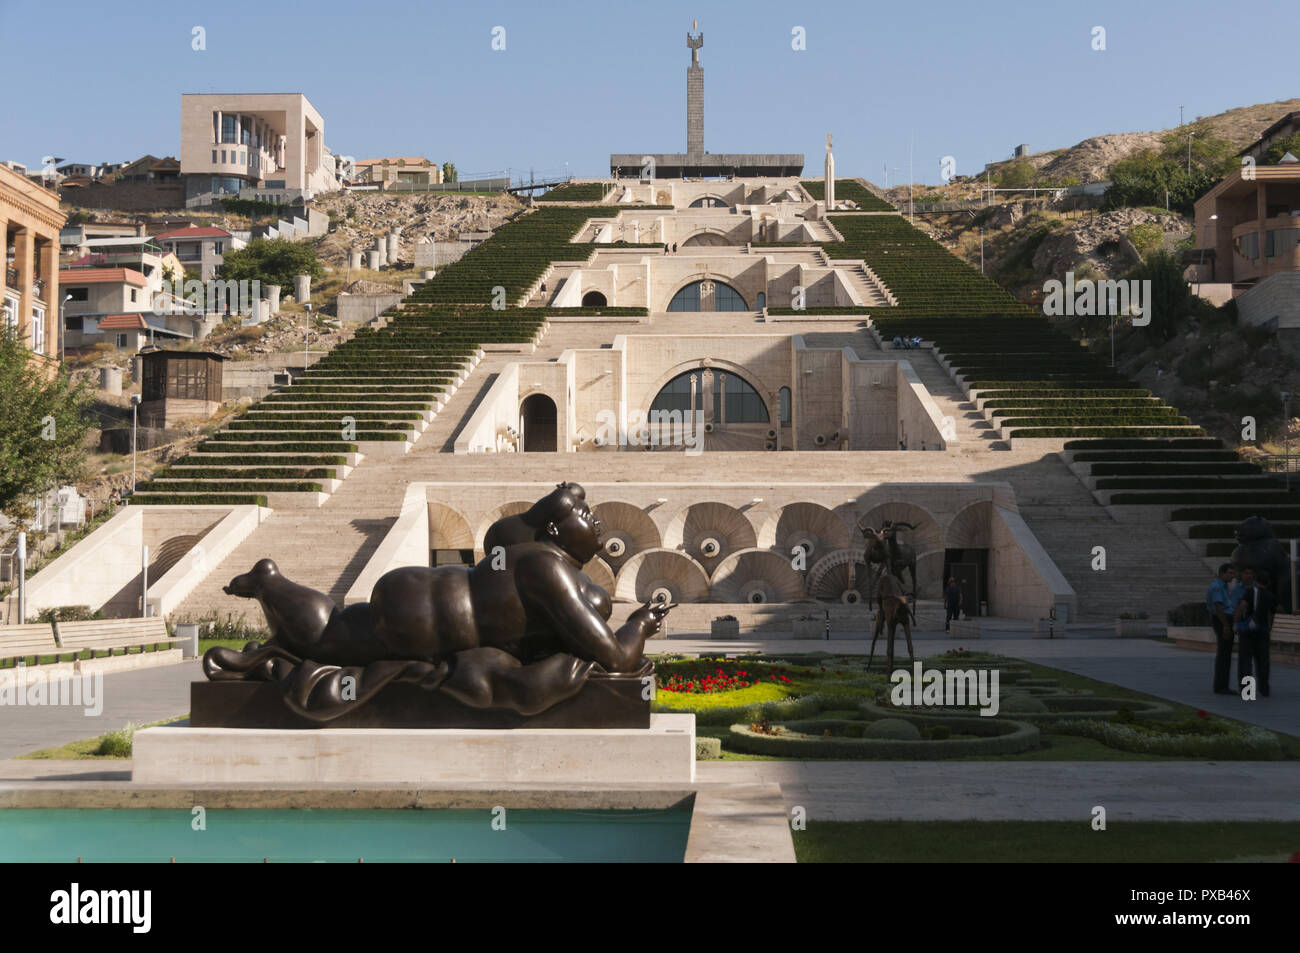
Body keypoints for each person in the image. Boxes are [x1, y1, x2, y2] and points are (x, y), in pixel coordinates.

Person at [1235, 567, 1274, 697]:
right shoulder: (1269, 595)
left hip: (1249, 631)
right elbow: (1270, 614)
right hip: (1263, 631)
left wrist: (1236, 623)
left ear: (1256, 580)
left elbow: (1242, 607)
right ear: (1268, 582)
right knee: (1263, 661)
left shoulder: (1250, 591)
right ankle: (1264, 688)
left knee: (1246, 661)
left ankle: (1248, 690)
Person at [1206, 563, 1240, 694]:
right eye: (1230, 573)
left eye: (1233, 573)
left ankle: (1222, 685)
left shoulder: (1224, 586)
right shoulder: (1217, 587)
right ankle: (1221, 686)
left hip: (1225, 619)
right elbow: (1218, 607)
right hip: (1222, 620)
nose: (1232, 575)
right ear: (1222, 573)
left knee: (1226, 654)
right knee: (1224, 654)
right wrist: (1226, 625)